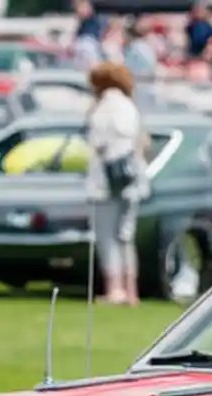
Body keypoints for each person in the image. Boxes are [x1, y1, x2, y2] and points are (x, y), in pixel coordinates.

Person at [86, 62, 148, 306]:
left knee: (107, 236)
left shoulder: (104, 108)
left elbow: (99, 143)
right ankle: (131, 291)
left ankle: (114, 289)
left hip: (107, 182)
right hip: (132, 180)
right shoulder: (130, 106)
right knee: (126, 236)